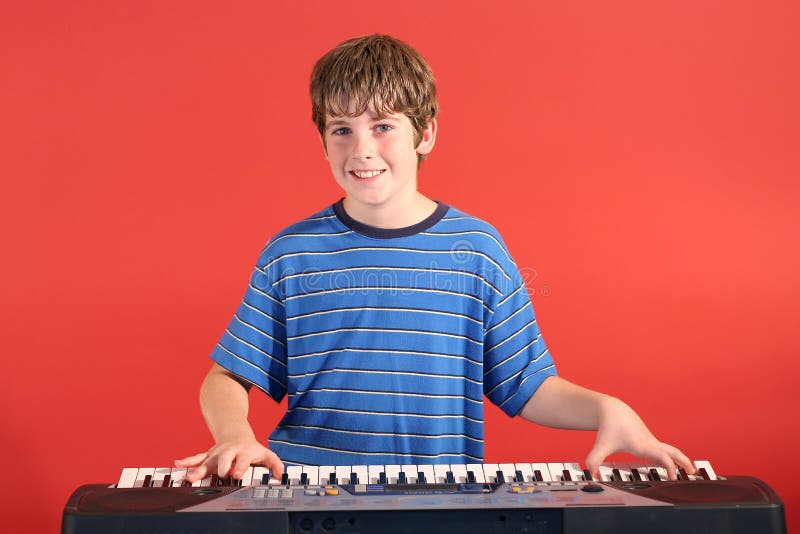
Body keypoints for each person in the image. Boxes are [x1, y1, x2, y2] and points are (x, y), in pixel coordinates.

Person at [176, 34, 694, 484]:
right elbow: (226, 377)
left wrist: (609, 409)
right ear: (322, 141)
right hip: (308, 494)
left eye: (383, 126)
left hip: (442, 497)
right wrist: (235, 436)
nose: (361, 148)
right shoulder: (290, 253)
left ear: (425, 134)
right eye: (342, 129)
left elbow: (528, 384)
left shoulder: (478, 248)